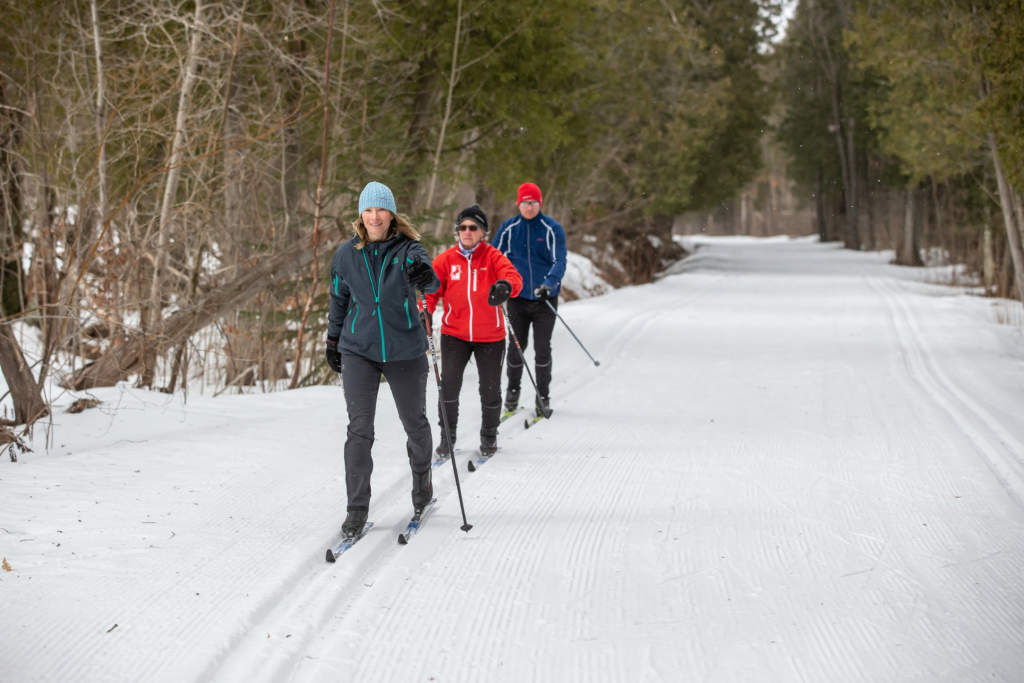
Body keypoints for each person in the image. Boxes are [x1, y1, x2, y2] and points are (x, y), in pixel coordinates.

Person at [325, 181, 441, 537]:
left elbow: (432, 284)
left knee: (415, 424)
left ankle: (422, 489)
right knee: (359, 431)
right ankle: (356, 509)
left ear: (392, 214)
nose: (374, 216)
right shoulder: (346, 255)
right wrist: (333, 339)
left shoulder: (409, 250)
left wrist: (426, 276)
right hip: (359, 349)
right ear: (361, 214)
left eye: (381, 209)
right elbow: (338, 300)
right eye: (369, 210)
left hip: (404, 348)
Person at [423, 205, 523, 458]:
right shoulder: (445, 260)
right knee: (449, 388)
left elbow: (513, 278)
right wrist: (423, 311)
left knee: (490, 389)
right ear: (458, 231)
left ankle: (489, 437)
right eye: (463, 227)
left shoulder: (493, 257)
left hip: (490, 336)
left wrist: (505, 286)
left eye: (473, 227)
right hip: (454, 334)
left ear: (483, 232)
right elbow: (430, 292)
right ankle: (447, 438)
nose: (467, 232)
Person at [491, 182, 566, 418]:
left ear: (539, 204)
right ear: (518, 204)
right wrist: (498, 283)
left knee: (542, 350)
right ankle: (512, 395)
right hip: (517, 299)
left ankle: (542, 396)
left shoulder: (551, 228)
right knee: (515, 349)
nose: (529, 207)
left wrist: (550, 284)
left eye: (533, 202)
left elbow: (560, 260)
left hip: (544, 300)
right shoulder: (509, 227)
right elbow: (493, 256)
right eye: (524, 202)